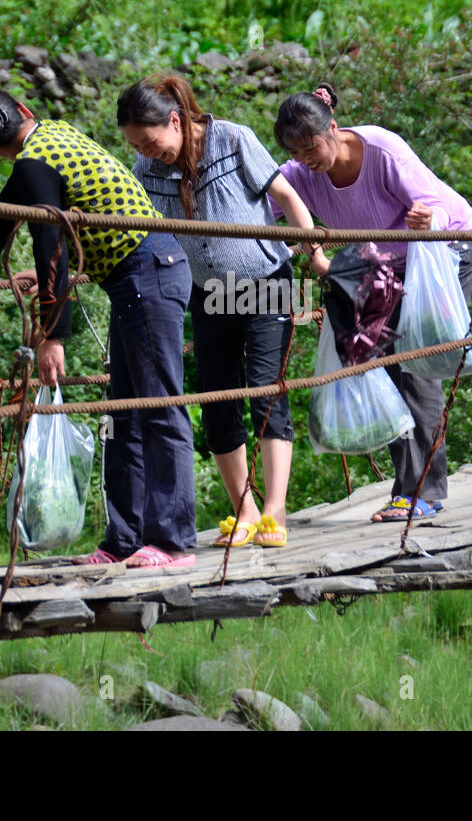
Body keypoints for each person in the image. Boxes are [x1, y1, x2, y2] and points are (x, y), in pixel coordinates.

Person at [0, 91, 197, 568]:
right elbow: (0, 219)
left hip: (149, 269)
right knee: (122, 415)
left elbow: (50, 242)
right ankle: (124, 539)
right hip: (140, 274)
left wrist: (52, 336)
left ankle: (172, 542)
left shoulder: (34, 163)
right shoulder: (54, 136)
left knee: (158, 407)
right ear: (27, 113)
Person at [117, 75, 320, 548]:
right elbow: (131, 231)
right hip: (208, 292)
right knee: (217, 399)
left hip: (264, 281)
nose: (147, 152)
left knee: (266, 390)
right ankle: (244, 509)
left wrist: (315, 253)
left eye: (150, 142)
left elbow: (287, 197)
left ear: (175, 121)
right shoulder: (145, 171)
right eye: (137, 146)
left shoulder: (232, 138)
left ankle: (275, 510)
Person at [271, 82, 472, 522]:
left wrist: (429, 219)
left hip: (447, 250)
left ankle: (421, 492)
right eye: (297, 153)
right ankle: (409, 489)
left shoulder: (382, 151)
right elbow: (265, 205)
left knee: (415, 363)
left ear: (333, 128)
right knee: (377, 361)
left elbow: (436, 208)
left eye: (312, 147)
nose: (307, 160)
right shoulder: (301, 175)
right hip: (387, 264)